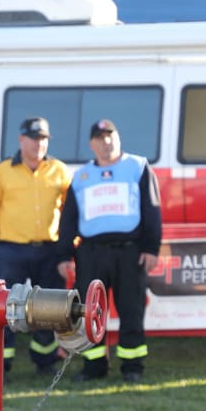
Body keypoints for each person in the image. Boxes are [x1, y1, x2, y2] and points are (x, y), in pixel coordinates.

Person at [57, 119, 162, 384]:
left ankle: (132, 367)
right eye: (100, 138)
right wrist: (64, 255)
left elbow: (152, 210)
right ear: (92, 144)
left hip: (130, 252)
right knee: (91, 311)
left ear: (118, 138)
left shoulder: (137, 167)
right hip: (91, 253)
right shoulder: (81, 177)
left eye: (110, 135)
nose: (106, 142)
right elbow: (69, 219)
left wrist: (151, 248)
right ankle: (94, 367)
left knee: (131, 308)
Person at [0, 117, 72, 376]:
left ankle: (45, 360)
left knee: (48, 308)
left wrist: (68, 245)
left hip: (49, 250)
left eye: (43, 139)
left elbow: (71, 211)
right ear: (21, 140)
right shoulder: (2, 171)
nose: (38, 144)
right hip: (11, 250)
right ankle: (2, 361)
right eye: (34, 138)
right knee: (7, 306)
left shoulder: (60, 170)